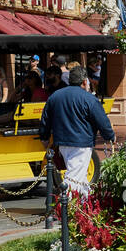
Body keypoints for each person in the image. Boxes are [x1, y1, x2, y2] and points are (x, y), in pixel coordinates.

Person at [41, 66, 116, 197]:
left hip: (62, 143)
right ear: (85, 81)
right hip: (81, 143)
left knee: (79, 174)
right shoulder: (89, 99)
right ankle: (64, 207)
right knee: (74, 176)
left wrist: (44, 137)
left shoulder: (55, 96)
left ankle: (85, 203)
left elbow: (45, 119)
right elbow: (102, 120)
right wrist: (110, 136)